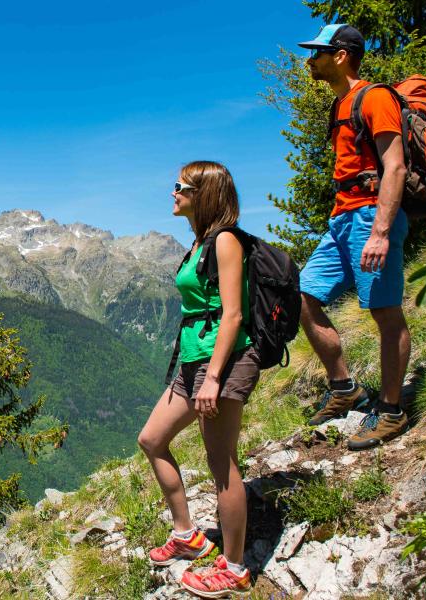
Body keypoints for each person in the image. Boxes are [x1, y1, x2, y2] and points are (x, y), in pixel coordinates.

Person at [137, 161, 257, 597]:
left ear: (203, 193)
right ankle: (187, 535)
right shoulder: (199, 242)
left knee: (221, 463)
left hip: (219, 364)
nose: (172, 192)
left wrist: (214, 380)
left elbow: (233, 315)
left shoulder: (225, 241)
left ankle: (237, 567)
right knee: (152, 439)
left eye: (180, 186)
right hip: (192, 362)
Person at [296, 24, 411, 450]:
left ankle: (392, 410)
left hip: (370, 218)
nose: (310, 61)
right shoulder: (340, 103)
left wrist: (380, 231)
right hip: (343, 219)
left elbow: (395, 167)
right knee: (303, 295)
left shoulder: (375, 97)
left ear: (341, 55)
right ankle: (345, 387)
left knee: (384, 312)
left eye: (317, 53)